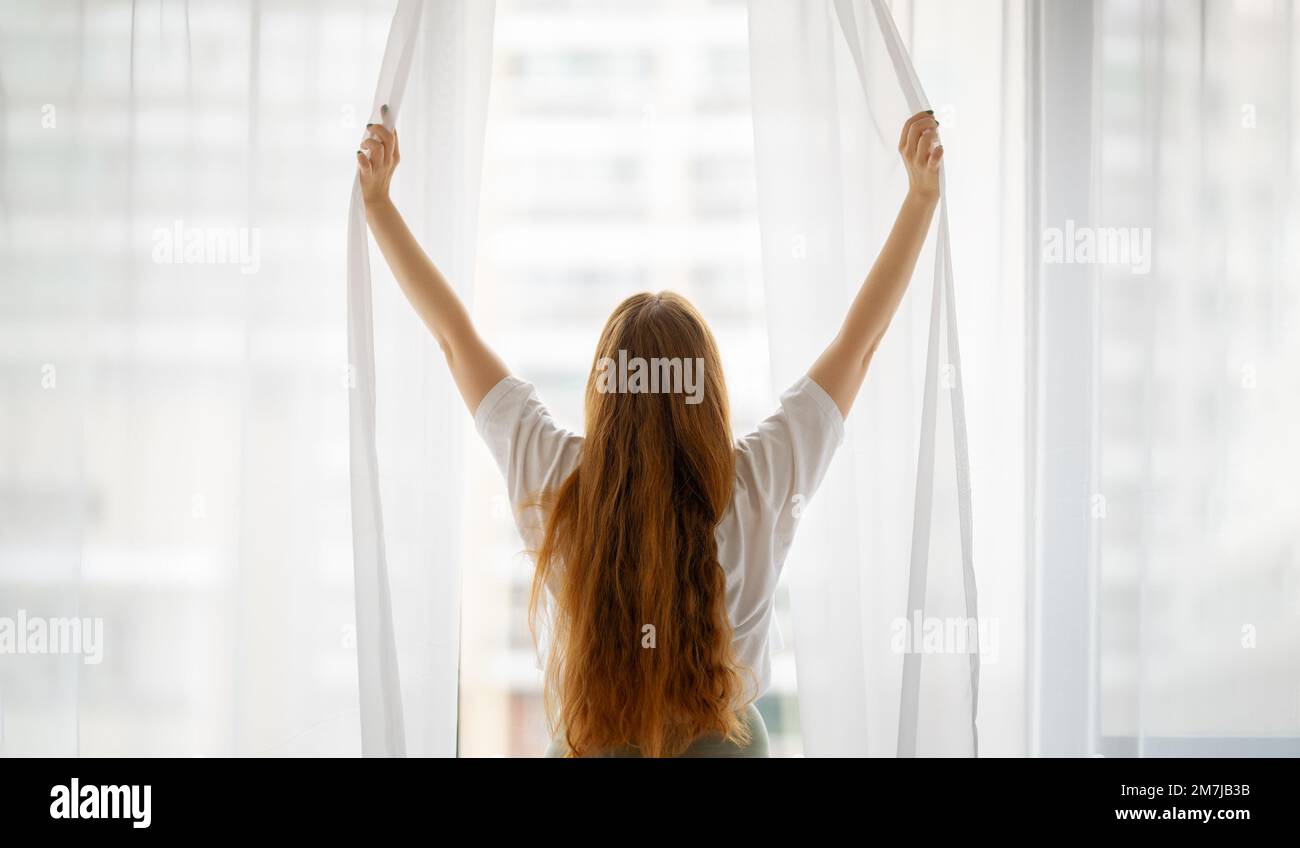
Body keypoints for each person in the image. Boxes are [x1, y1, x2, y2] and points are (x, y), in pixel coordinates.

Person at [357, 109, 943, 757]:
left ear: (605, 398)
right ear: (707, 397)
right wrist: (920, 197)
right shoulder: (761, 479)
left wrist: (380, 205)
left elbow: (452, 338)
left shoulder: (556, 478)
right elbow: (859, 346)